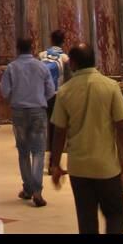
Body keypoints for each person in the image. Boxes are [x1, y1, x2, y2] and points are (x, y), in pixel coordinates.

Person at [50, 42, 123, 235]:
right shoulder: (110, 86)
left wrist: (55, 164)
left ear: (72, 63)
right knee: (116, 213)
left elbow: (59, 132)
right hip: (107, 168)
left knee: (86, 218)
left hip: (79, 168)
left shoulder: (65, 91)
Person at [0, 36, 55, 206]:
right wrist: (39, 99)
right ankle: (37, 191)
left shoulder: (12, 67)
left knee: (23, 151)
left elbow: (4, 91)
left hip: (19, 112)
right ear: (32, 48)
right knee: (38, 151)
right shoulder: (41, 67)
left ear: (17, 49)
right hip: (38, 111)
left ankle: (28, 188)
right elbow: (51, 91)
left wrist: (17, 97)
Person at [39, 29, 70, 170]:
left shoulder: (42, 55)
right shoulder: (65, 58)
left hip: (42, 94)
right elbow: (68, 79)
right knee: (56, 127)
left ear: (51, 40)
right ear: (63, 41)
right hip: (57, 95)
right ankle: (53, 162)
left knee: (44, 126)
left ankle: (42, 159)